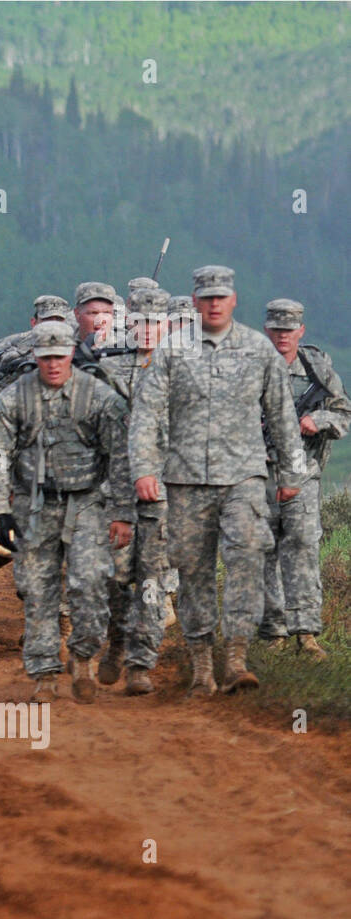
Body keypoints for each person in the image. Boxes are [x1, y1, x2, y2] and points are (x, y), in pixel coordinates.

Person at [129, 265, 304, 696]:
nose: (213, 303)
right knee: (193, 570)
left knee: (247, 552)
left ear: (234, 299)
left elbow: (283, 415)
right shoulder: (172, 350)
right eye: (205, 297)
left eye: (220, 296)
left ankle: (237, 658)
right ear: (194, 301)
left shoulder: (258, 350)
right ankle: (202, 666)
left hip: (243, 475)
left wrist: (291, 472)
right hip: (185, 479)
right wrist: (144, 469)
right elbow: (146, 414)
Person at [0, 321, 133, 704]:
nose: (53, 364)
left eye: (59, 356)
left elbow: (119, 457)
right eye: (45, 357)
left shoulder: (98, 397)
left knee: (89, 585)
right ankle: (44, 673)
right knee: (38, 591)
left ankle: (83, 658)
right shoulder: (15, 398)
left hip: (87, 505)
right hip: (34, 505)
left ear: (71, 355)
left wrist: (121, 511)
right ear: (35, 356)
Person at [89, 287, 175, 694]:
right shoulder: (109, 370)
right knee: (116, 577)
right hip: (116, 493)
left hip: (163, 495)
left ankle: (142, 663)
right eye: (138, 323)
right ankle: (117, 641)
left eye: (154, 323)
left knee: (153, 580)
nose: (146, 331)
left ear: (168, 326)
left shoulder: (183, 372)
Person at [259, 298, 351, 659]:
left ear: (301, 331)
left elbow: (343, 413)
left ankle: (307, 634)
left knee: (302, 548)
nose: (283, 336)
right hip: (260, 473)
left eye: (289, 329)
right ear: (268, 330)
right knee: (264, 551)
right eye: (277, 329)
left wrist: (320, 422)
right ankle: (273, 632)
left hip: (303, 472)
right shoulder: (251, 367)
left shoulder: (318, 371)